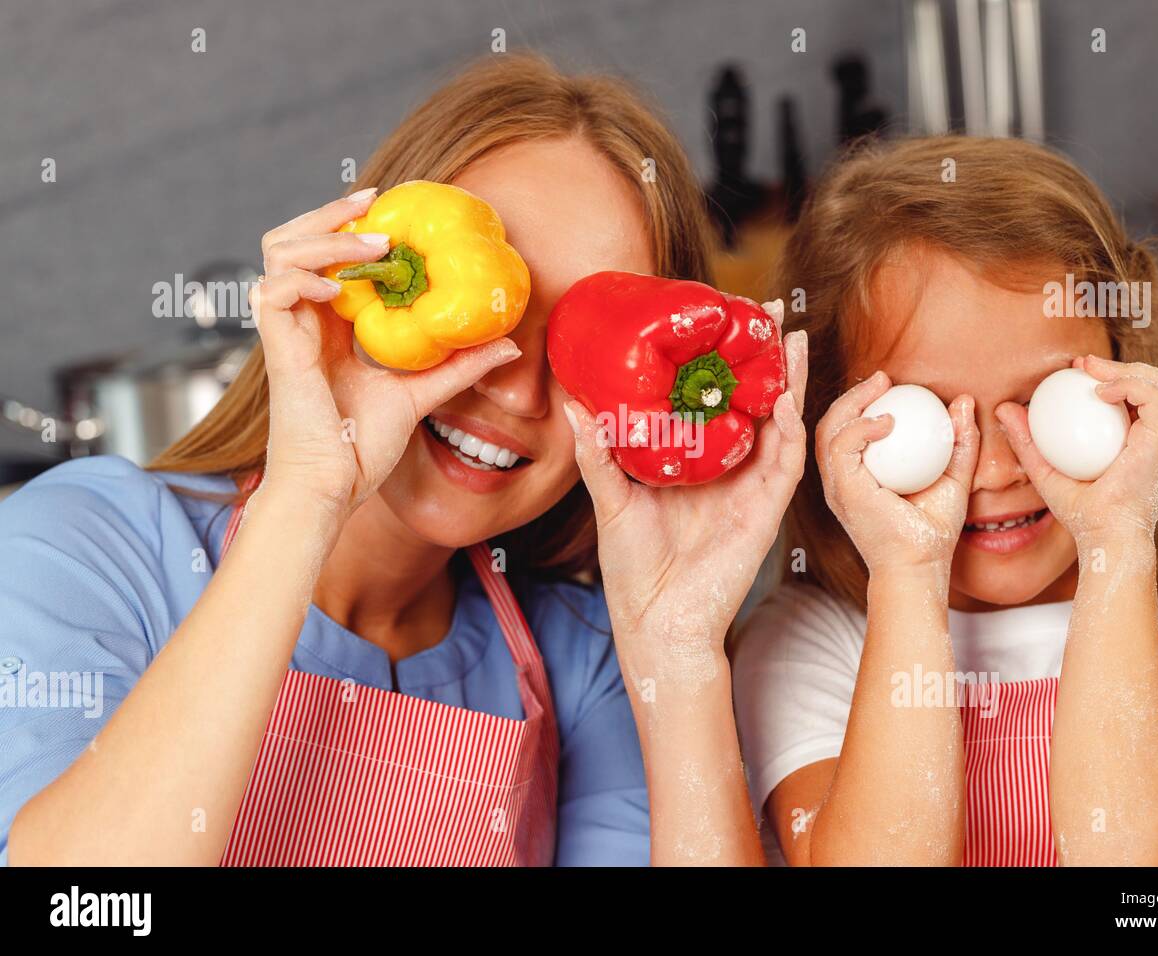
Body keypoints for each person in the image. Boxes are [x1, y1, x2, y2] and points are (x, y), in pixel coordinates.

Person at [0, 54, 802, 866]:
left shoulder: (588, 662)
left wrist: (677, 646)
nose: (518, 391)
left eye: (579, 346)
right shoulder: (83, 548)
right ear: (367, 275)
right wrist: (309, 492)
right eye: (492, 304)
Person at [732, 135, 1158, 867]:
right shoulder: (809, 649)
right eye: (929, 413)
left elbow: (1140, 870)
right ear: (834, 427)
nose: (996, 468)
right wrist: (907, 577)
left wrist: (1117, 542)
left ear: (1132, 388)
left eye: (1045, 400)